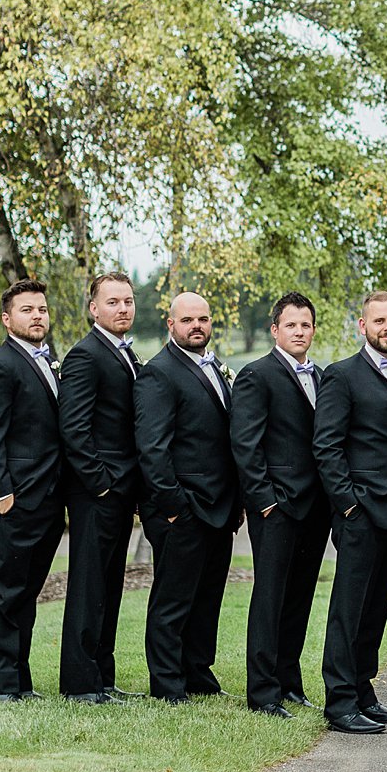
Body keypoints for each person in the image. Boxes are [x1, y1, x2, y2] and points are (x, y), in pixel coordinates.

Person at [311, 291, 387, 734]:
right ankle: (340, 702)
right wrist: (348, 505)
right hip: (361, 512)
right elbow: (326, 447)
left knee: (377, 606)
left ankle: (364, 691)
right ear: (362, 326)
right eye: (379, 321)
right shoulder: (342, 376)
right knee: (349, 608)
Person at [228, 292, 334, 718]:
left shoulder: (323, 376)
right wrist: (265, 501)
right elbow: (245, 444)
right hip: (277, 507)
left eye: (306, 325)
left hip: (315, 509)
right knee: (270, 597)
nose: (300, 332)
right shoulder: (257, 375)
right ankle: (263, 692)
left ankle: (289, 682)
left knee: (300, 597)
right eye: (291, 325)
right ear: (276, 330)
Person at [134, 292, 244, 703]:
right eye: (188, 320)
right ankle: (167, 683)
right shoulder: (159, 373)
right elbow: (152, 448)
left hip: (218, 506)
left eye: (203, 318)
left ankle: (198, 672)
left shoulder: (212, 365)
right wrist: (174, 507)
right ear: (171, 323)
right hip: (182, 507)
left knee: (207, 596)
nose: (196, 326)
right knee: (173, 599)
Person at [0, 278, 67, 702]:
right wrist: (0, 496)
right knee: (5, 591)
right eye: (27, 310)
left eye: (41, 309)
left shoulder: (48, 360)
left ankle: (19, 680)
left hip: (46, 499)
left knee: (26, 594)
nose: (37, 316)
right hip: (13, 501)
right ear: (7, 320)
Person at [57, 271, 145, 703]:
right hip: (97, 494)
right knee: (89, 587)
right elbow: (74, 430)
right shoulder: (84, 356)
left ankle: (103, 678)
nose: (122, 308)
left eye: (127, 301)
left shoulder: (126, 354)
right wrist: (103, 486)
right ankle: (79, 683)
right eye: (113, 302)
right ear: (94, 309)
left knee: (110, 587)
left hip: (120, 492)